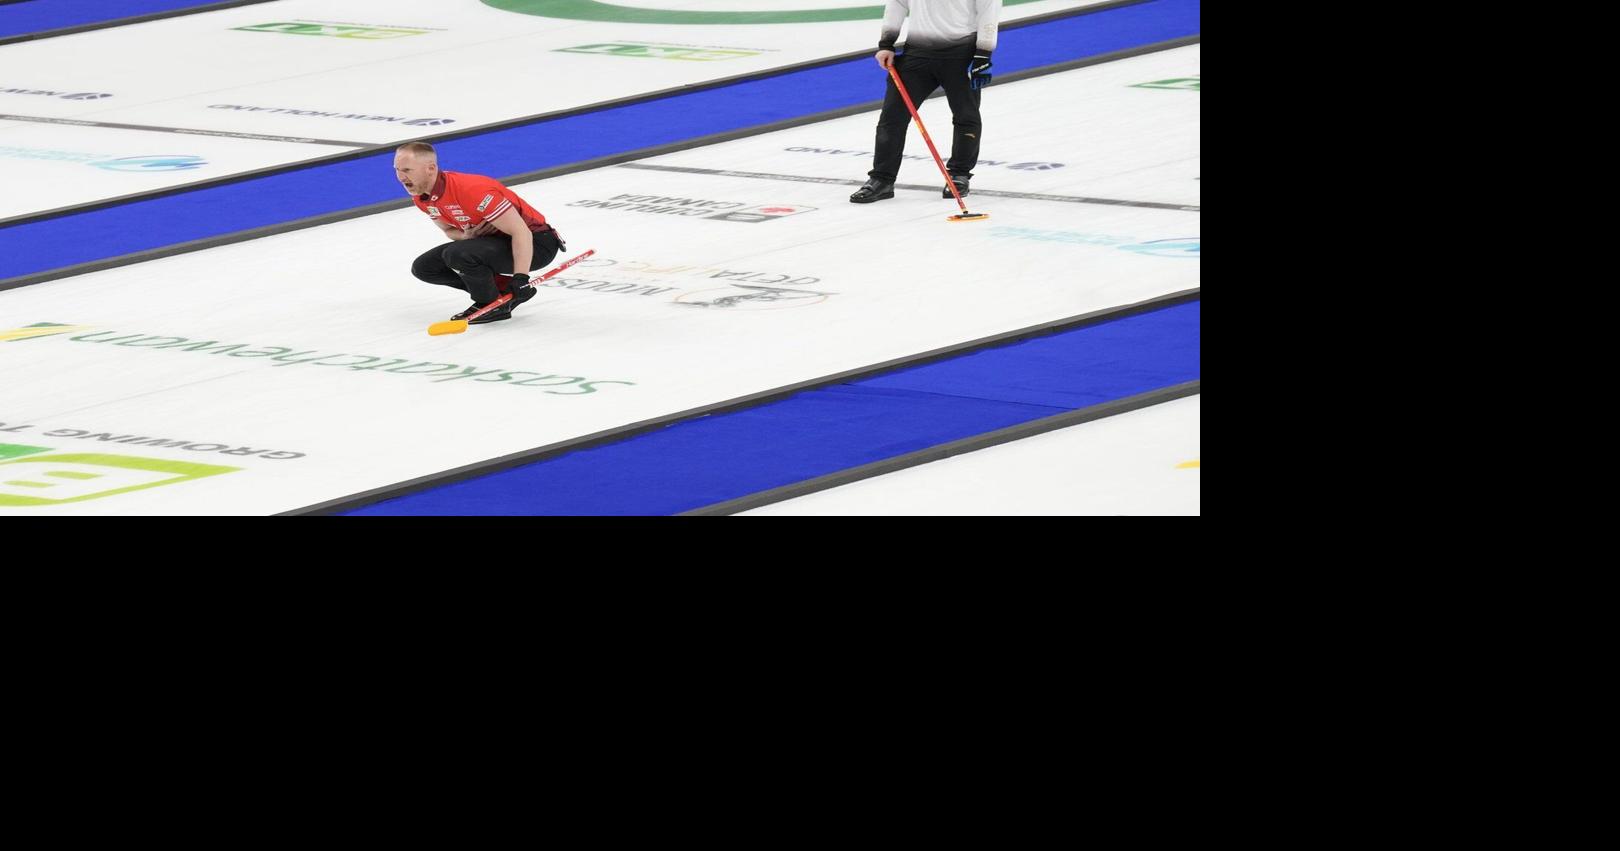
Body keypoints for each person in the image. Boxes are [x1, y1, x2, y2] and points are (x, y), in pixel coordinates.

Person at [397, 142, 564, 324]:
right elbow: (449, 230)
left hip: (537, 244)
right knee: (424, 267)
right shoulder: (422, 198)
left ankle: (489, 302)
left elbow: (521, 232)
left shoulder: (472, 190)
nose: (400, 176)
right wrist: (466, 237)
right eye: (397, 169)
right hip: (494, 242)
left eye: (407, 170)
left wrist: (521, 277)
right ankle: (501, 291)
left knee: (457, 254)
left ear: (430, 168)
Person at [849, 0, 999, 204]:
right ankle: (881, 179)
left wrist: (983, 55)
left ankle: (959, 175)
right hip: (916, 55)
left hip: (961, 55)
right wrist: (886, 44)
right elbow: (897, 4)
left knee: (966, 116)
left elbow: (988, 14)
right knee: (892, 119)